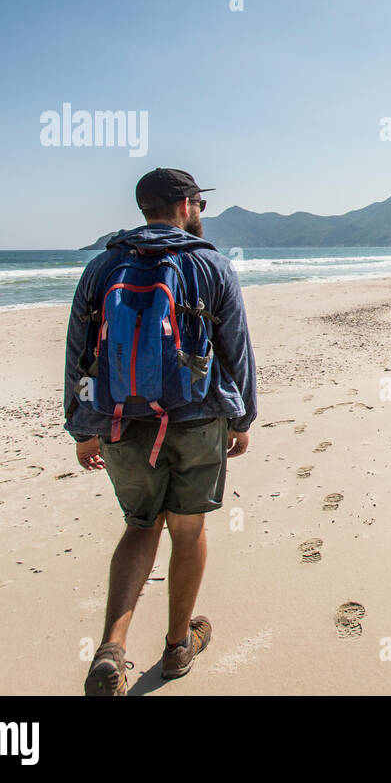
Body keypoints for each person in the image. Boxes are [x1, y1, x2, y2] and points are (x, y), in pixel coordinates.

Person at [65, 167, 257, 696]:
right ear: (188, 205)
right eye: (201, 204)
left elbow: (80, 354)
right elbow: (236, 350)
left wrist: (83, 428)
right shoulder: (211, 265)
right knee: (188, 531)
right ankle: (177, 646)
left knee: (139, 526)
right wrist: (242, 419)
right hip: (197, 418)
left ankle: (111, 648)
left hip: (122, 422)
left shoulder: (102, 267)